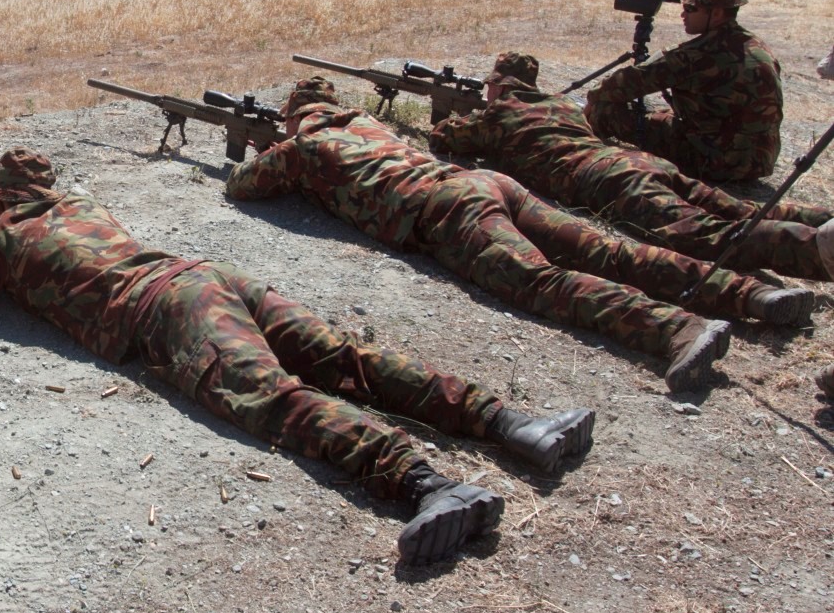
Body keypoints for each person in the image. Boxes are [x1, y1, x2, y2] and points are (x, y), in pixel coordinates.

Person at [0, 148, 597, 567]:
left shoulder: (5, 244)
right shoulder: (82, 204)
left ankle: (425, 484)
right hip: (210, 275)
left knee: (275, 399)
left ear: (1, 201)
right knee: (344, 357)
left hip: (169, 310)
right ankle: (513, 424)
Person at [225, 78, 806, 393]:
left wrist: (266, 148)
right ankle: (751, 294)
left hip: (447, 211)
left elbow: (243, 187)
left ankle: (677, 327)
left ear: (294, 118)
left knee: (541, 283)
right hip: (487, 183)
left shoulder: (303, 146)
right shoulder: (366, 122)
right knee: (608, 248)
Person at [430, 52, 832, 305]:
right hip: (638, 162)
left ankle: (816, 250)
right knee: (737, 208)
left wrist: (454, 112)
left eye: (490, 87)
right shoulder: (562, 104)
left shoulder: (499, 113)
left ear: (498, 85)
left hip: (610, 180)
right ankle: (821, 218)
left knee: (702, 234)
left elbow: (444, 138)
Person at [584, 0, 783, 182]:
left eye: (690, 8)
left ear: (716, 13)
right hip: (760, 161)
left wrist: (592, 99)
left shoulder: (695, 55)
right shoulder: (760, 48)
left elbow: (624, 84)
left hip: (713, 162)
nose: (683, 14)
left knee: (605, 111)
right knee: (658, 113)